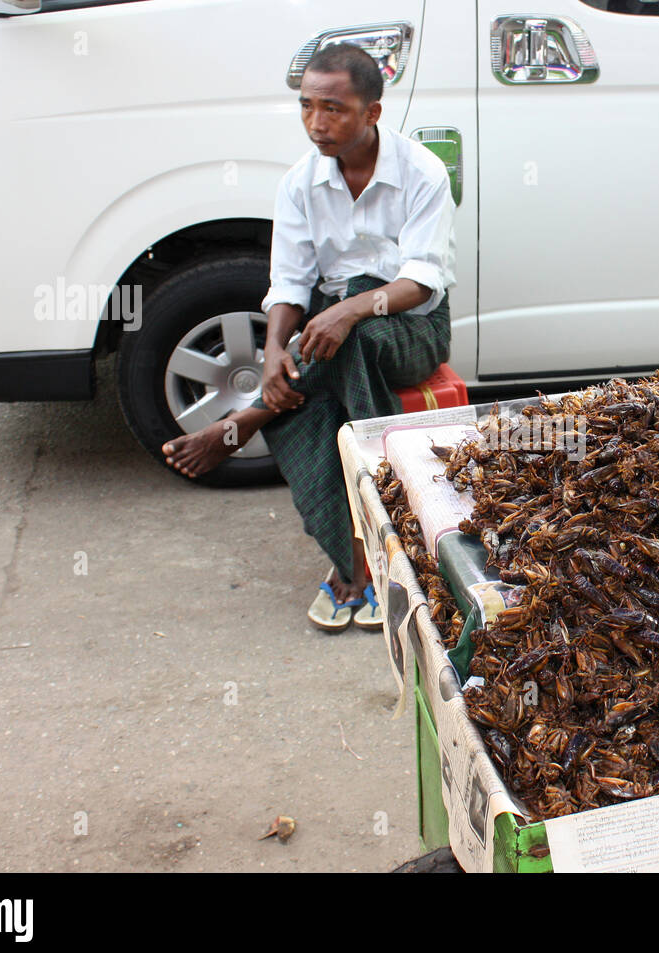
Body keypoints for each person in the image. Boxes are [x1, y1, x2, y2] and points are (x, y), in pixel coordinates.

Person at [161, 43, 456, 631]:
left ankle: (246, 421)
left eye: (334, 108)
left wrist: (349, 310)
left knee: (355, 334)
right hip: (331, 330)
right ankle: (355, 564)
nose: (317, 123)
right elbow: (290, 284)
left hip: (411, 328)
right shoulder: (300, 183)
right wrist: (273, 352)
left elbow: (421, 281)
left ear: (372, 112)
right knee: (306, 406)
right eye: (307, 107)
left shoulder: (422, 172)